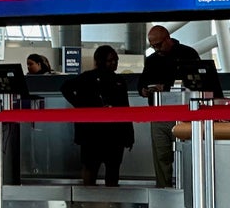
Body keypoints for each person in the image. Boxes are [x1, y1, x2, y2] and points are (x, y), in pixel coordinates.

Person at [62, 45, 134, 186]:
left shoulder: (119, 80)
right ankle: (87, 199)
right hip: (92, 132)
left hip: (115, 133)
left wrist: (129, 135)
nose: (114, 63)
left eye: (116, 60)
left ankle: (113, 199)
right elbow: (65, 88)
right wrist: (82, 106)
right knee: (90, 167)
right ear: (100, 61)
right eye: (110, 60)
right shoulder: (87, 77)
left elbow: (125, 107)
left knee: (113, 168)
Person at [138, 25, 199, 188]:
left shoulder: (187, 54)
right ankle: (163, 190)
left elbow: (196, 83)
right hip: (158, 113)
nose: (156, 49)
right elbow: (141, 83)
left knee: (185, 155)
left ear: (168, 38)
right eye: (153, 46)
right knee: (161, 156)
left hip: (183, 114)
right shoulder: (151, 60)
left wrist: (166, 87)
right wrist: (144, 90)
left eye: (158, 44)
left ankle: (188, 189)